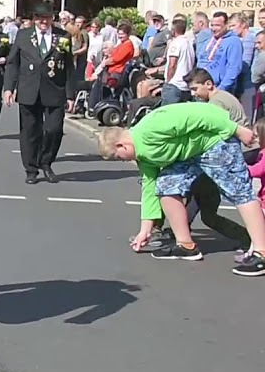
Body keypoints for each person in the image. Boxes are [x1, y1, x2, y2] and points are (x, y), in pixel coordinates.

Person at [97, 101, 265, 275]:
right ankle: (186, 245)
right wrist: (145, 230)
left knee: (239, 192)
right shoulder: (143, 157)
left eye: (119, 157)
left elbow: (199, 116)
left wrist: (236, 129)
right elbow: (149, 188)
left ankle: (262, 253)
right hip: (191, 154)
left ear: (121, 146)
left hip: (215, 142)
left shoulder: (151, 128)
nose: (123, 161)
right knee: (165, 186)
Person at [3, 0, 71, 184]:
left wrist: (70, 94)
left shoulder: (63, 36)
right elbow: (13, 63)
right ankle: (31, 169)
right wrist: (9, 87)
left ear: (52, 19)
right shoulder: (23, 35)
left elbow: (69, 68)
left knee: (54, 130)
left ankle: (46, 162)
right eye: (40, 18)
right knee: (30, 132)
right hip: (28, 89)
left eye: (47, 18)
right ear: (34, 20)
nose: (44, 22)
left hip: (54, 90)